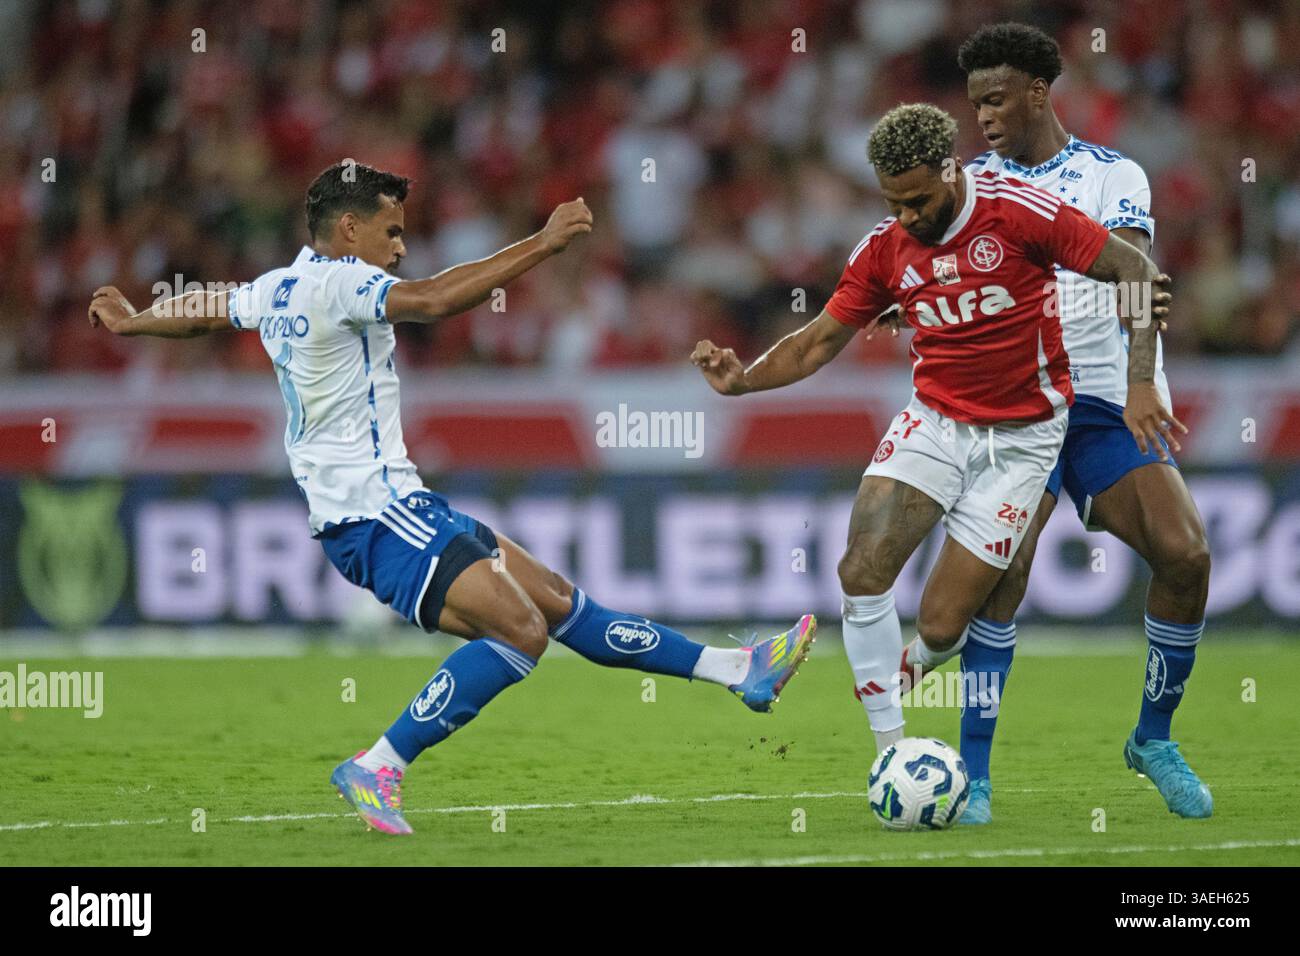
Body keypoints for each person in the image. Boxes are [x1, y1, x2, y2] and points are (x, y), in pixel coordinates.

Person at [89, 161, 816, 836]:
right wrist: (543, 243)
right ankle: (379, 764)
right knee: (522, 631)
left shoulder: (280, 286)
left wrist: (132, 320)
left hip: (393, 506)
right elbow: (433, 300)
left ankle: (737, 671)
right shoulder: (343, 283)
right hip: (376, 515)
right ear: (349, 231)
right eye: (392, 230)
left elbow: (210, 308)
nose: (401, 247)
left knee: (559, 602)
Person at [692, 104, 1174, 806]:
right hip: (936, 422)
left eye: (918, 199)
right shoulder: (885, 247)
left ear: (952, 169)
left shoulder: (1021, 215)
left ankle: (910, 667)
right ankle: (891, 756)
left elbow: (1134, 268)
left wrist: (1138, 383)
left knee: (944, 628)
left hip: (1025, 439)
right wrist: (744, 380)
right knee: (861, 567)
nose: (908, 216)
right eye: (893, 202)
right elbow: (818, 342)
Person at [955, 22, 1212, 822]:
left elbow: (1138, 276)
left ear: (1039, 91)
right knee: (1004, 572)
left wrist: (1142, 385)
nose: (985, 117)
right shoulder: (968, 185)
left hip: (1105, 400)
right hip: (1016, 402)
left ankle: (1152, 738)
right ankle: (973, 776)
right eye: (975, 104)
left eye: (996, 99)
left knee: (1187, 553)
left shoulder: (1111, 176)